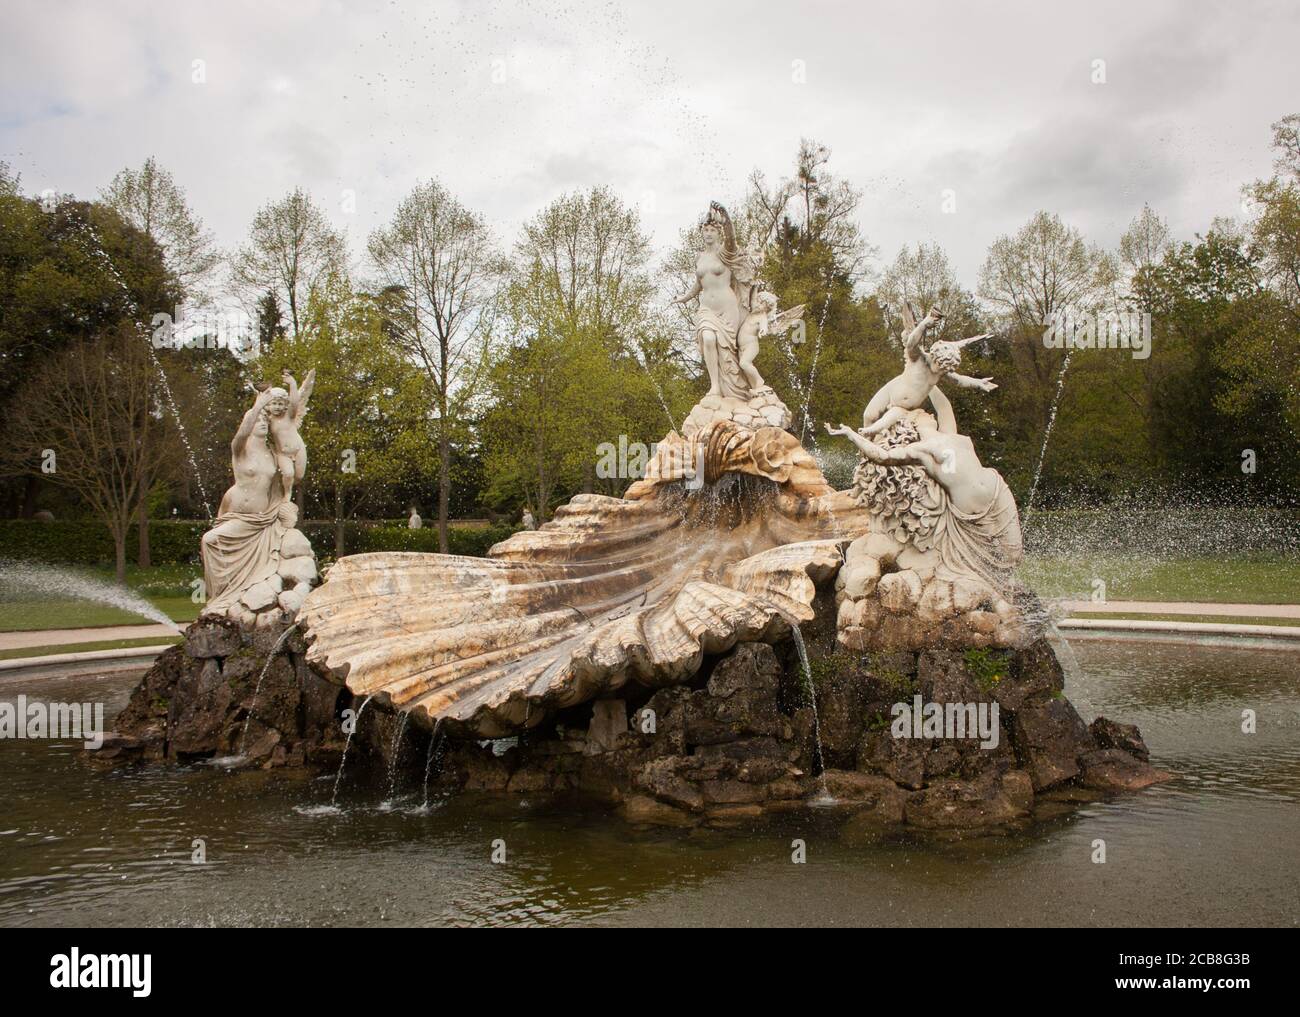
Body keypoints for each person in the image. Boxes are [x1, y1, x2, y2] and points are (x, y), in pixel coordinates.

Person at [858, 303, 995, 435]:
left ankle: (870, 444)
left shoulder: (941, 370)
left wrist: (979, 383)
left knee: (881, 423)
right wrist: (924, 325)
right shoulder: (918, 357)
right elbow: (911, 343)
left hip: (902, 408)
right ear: (935, 357)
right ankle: (865, 452)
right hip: (893, 388)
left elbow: (958, 380)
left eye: (944, 369)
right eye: (939, 366)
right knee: (869, 416)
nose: (940, 371)